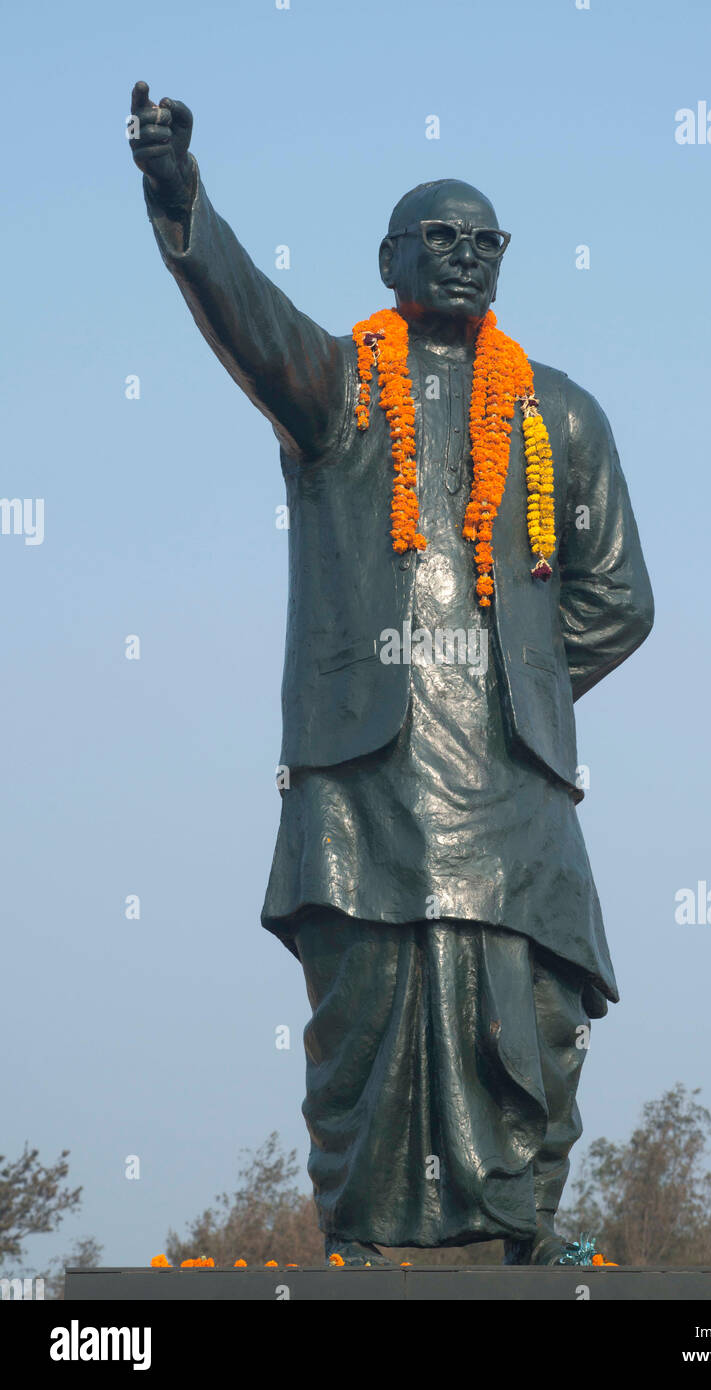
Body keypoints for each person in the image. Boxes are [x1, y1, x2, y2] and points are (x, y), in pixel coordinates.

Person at [129, 80, 654, 1266]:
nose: (465, 261)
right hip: (366, 776)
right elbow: (247, 317)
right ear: (389, 259)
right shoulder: (340, 388)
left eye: (486, 244)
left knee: (540, 1006)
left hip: (514, 777)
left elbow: (619, 597)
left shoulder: (561, 414)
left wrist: (512, 677)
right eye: (441, 241)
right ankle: (367, 1236)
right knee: (361, 1008)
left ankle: (525, 1225)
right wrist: (180, 198)